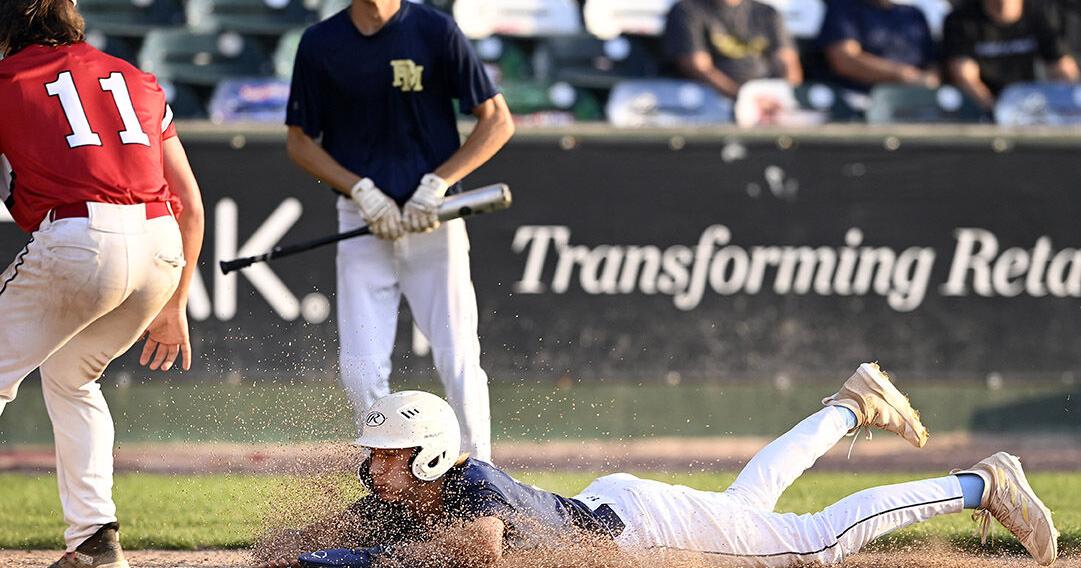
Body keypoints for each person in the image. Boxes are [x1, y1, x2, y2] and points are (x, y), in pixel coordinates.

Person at [253, 364, 1059, 568]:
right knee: (750, 508)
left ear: (427, 455)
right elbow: (291, 545)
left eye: (387, 458)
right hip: (621, 512)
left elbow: (486, 546)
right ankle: (848, 405)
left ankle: (974, 483)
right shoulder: (408, 499)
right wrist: (295, 546)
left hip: (645, 530)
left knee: (808, 544)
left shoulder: (468, 486)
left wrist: (361, 559)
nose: (373, 470)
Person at [0, 0, 205, 565]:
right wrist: (175, 302)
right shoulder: (136, 77)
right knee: (71, 377)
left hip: (80, 237)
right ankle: (94, 540)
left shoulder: (7, 79)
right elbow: (187, 201)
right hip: (160, 243)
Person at [284, 0, 514, 463]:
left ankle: (483, 477)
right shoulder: (320, 43)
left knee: (458, 355)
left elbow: (497, 121)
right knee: (361, 368)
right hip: (362, 221)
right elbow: (299, 141)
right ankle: (390, 483)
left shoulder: (436, 31)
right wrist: (360, 190)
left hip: (435, 218)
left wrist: (437, 183)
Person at [944, 0, 1080, 110]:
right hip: (982, 108)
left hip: (1032, 106)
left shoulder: (1041, 13)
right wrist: (998, 111)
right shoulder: (961, 20)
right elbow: (965, 77)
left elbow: (1061, 67)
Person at [664, 0, 803, 99]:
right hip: (716, 99)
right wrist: (744, 97)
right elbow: (697, 67)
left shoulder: (768, 13)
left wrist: (784, 98)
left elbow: (788, 63)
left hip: (770, 98)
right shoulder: (688, 9)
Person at [818, 0, 939, 91]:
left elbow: (932, 63)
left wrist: (930, 80)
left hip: (916, 98)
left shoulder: (914, 14)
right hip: (860, 97)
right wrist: (901, 75)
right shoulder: (844, 7)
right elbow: (844, 60)